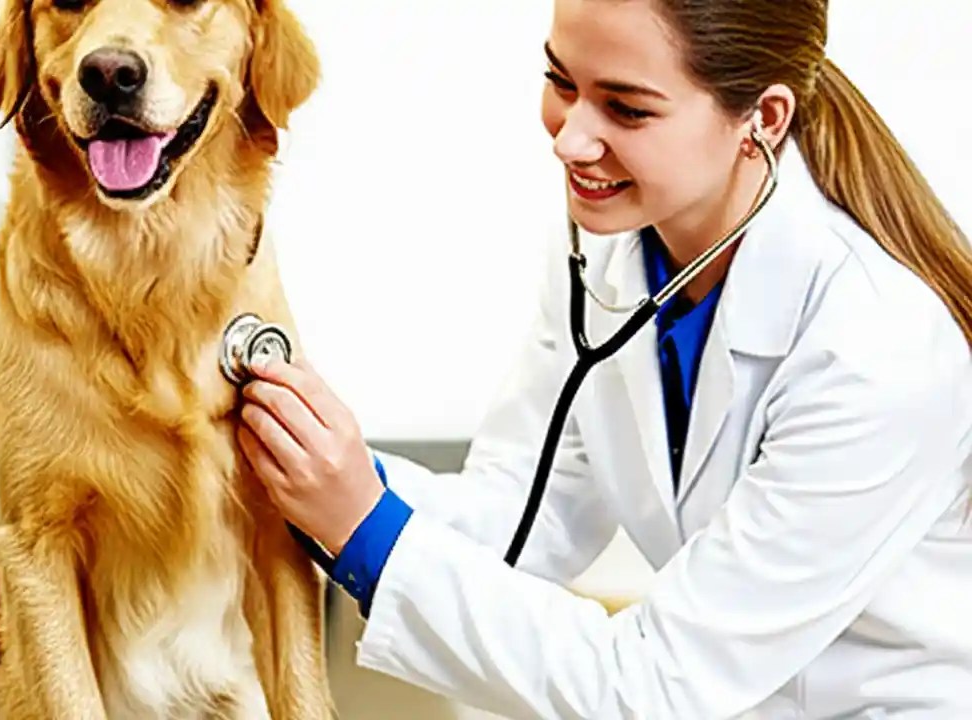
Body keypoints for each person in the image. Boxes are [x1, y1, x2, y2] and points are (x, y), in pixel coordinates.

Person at [236, 0, 972, 717]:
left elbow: (657, 686)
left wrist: (363, 525)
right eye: (561, 83)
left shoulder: (878, 347)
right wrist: (305, 465)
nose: (570, 140)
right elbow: (522, 522)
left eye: (626, 109)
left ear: (764, 120)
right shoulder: (613, 253)